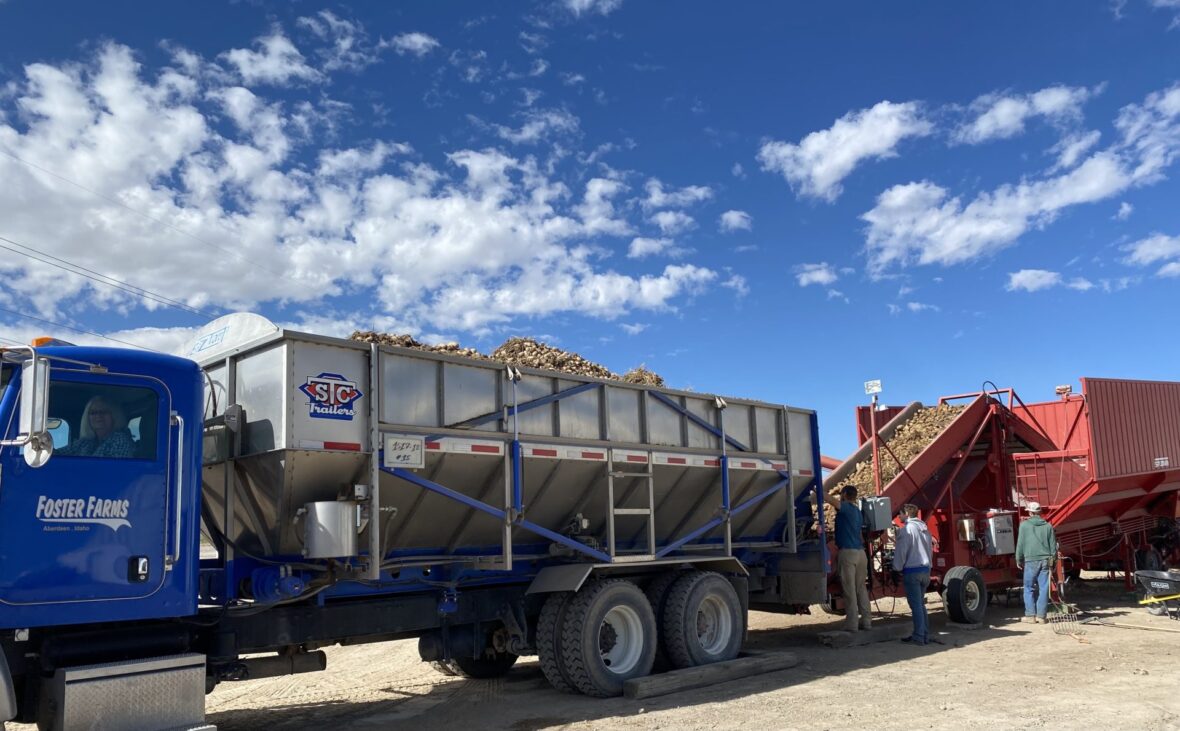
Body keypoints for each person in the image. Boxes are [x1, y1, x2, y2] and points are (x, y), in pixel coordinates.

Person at [824, 484, 872, 632]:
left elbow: (831, 501)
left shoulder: (846, 508)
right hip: (861, 553)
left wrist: (816, 488)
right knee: (861, 588)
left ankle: (852, 624)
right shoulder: (857, 512)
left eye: (841, 494)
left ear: (844, 495)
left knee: (849, 589)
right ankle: (866, 621)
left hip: (848, 553)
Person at [892, 504, 933, 645]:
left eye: (900, 514)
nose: (898, 517)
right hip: (925, 570)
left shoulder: (906, 530)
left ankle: (919, 636)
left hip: (912, 572)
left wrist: (896, 569)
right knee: (920, 605)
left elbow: (901, 552)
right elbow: (930, 551)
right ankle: (925, 635)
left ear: (907, 514)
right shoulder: (924, 529)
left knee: (916, 606)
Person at [1015, 501, 1057, 623]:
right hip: (1045, 560)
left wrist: (1018, 559)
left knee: (1028, 587)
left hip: (1031, 560)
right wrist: (1053, 562)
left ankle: (1030, 616)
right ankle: (1041, 616)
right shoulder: (1048, 526)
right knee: (1044, 588)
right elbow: (1053, 547)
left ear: (1030, 512)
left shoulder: (1024, 526)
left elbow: (1020, 544)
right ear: (1039, 512)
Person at [58, 395, 135, 458]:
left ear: (115, 415)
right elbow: (56, 454)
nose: (98, 416)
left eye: (103, 412)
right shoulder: (84, 443)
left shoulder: (120, 440)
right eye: (93, 413)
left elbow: (114, 469)